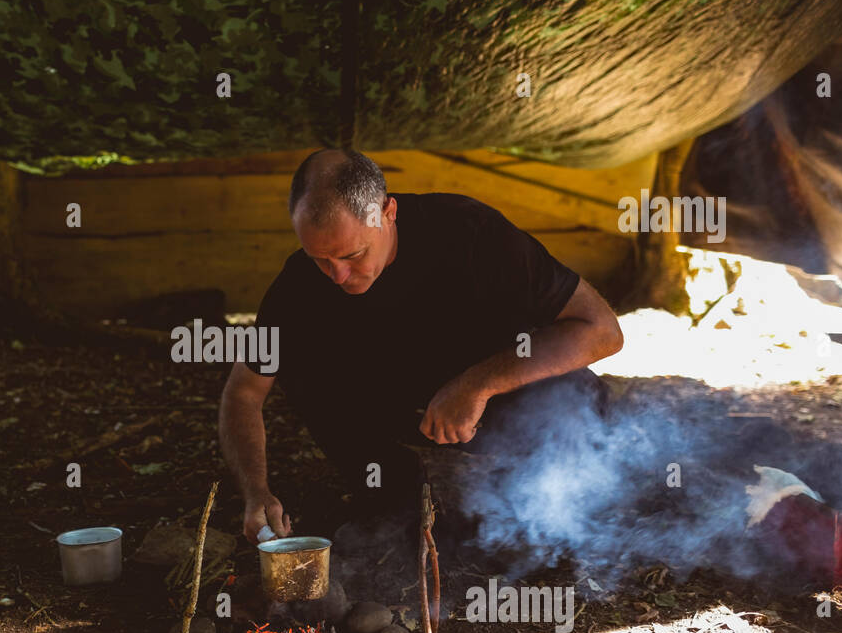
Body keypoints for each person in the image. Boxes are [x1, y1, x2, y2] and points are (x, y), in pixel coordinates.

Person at [218, 148, 625, 544]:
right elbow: (243, 392)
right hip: (401, 410)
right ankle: (392, 495)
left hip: (503, 397)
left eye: (353, 254)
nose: (338, 275)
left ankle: (537, 480)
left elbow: (602, 330)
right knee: (300, 364)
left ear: (388, 213)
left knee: (581, 418)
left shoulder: (471, 233)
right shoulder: (298, 286)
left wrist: (477, 385)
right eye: (320, 259)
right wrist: (256, 492)